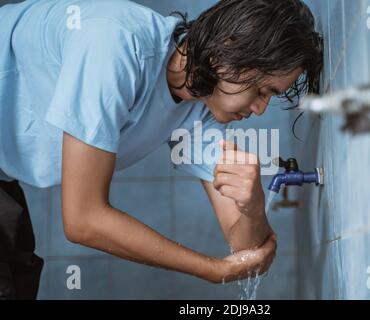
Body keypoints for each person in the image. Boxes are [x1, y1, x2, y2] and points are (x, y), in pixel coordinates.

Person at [0, 0, 323, 299]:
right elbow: (83, 219)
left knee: (18, 277)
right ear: (227, 55)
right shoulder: (115, 43)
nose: (261, 109)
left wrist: (252, 205)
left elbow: (246, 250)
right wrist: (212, 270)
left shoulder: (202, 109)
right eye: (262, 90)